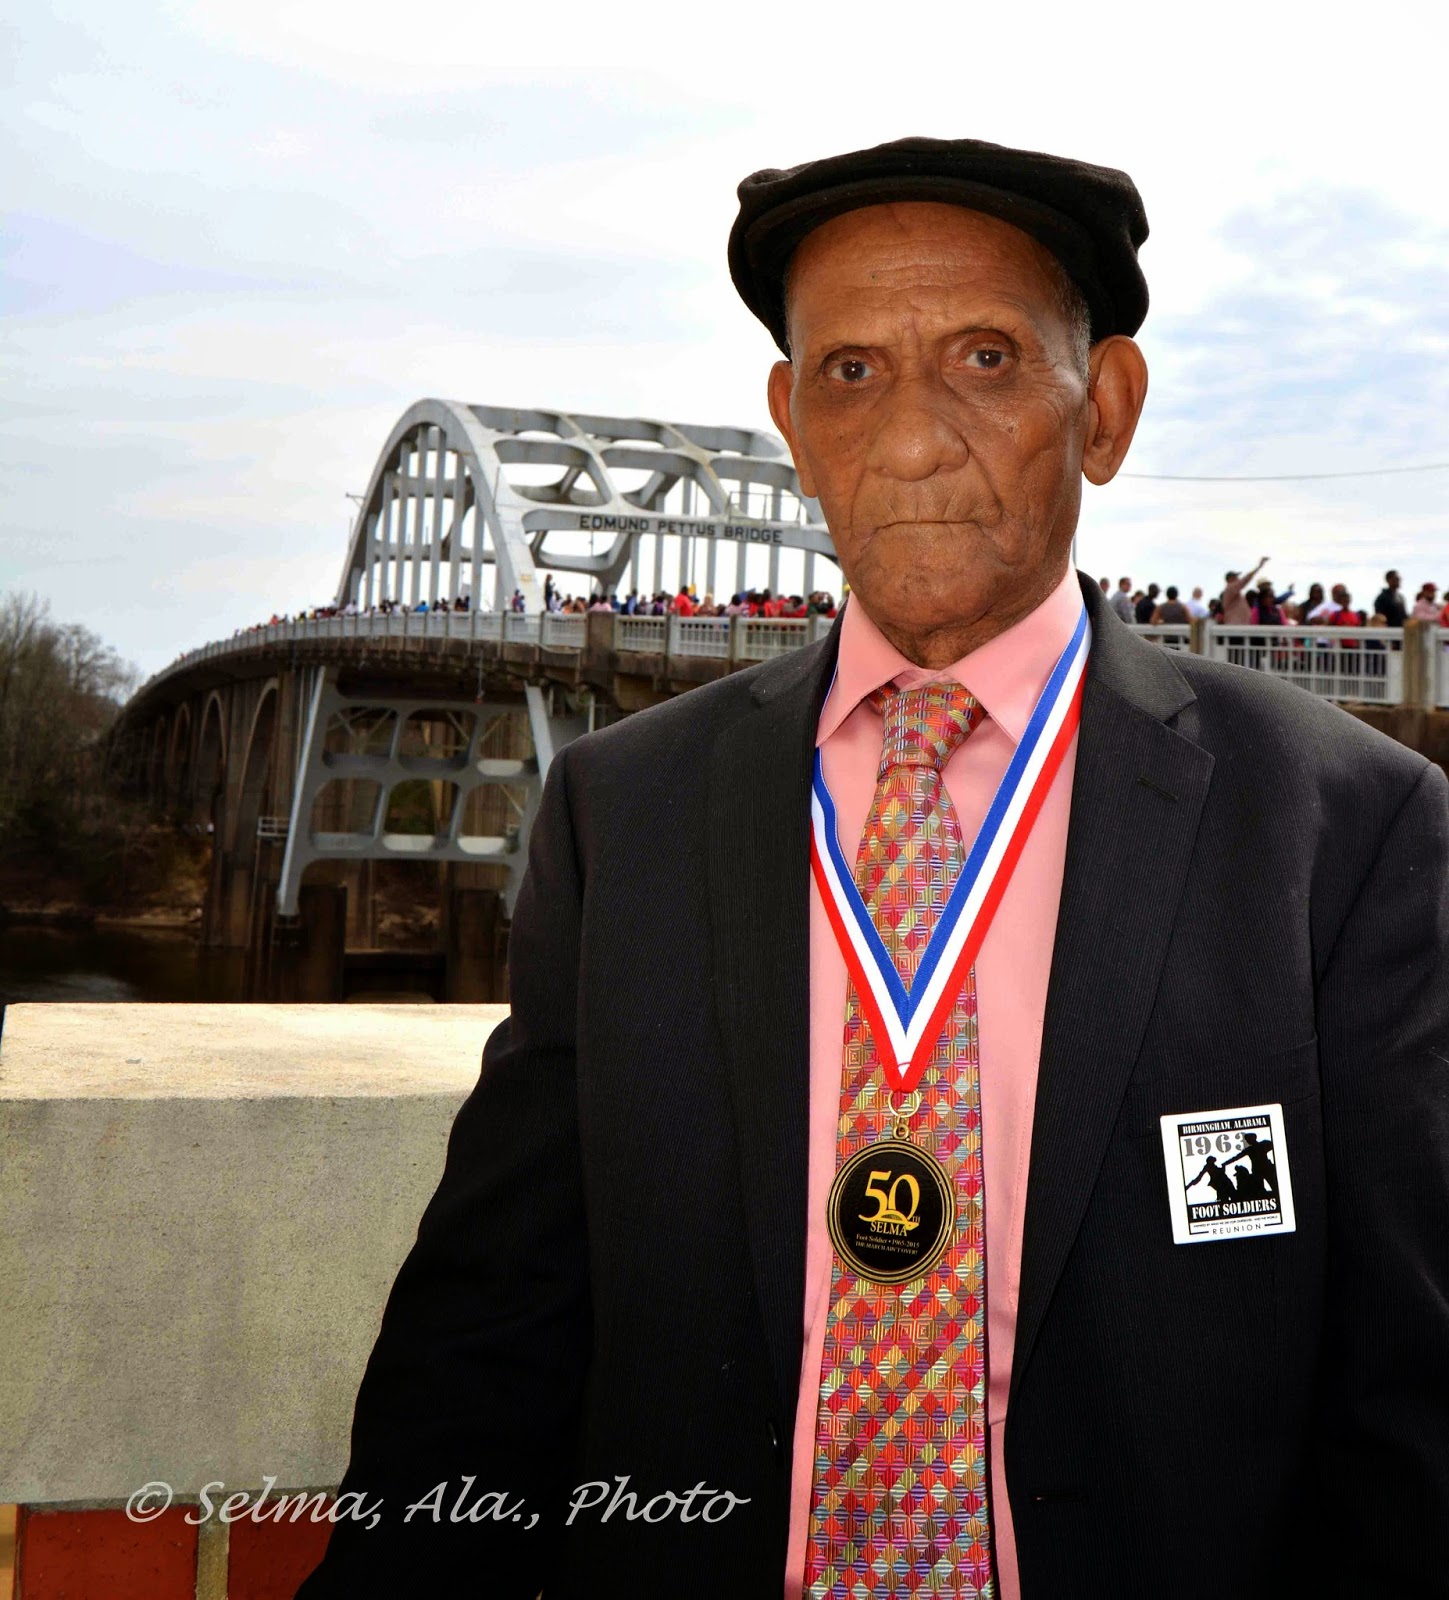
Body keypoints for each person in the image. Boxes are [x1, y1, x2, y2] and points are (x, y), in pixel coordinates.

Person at [298, 135, 1449, 1600]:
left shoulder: (1340, 829)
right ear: (789, 421)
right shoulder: (623, 814)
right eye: (849, 373)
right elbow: (490, 1333)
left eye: (982, 359)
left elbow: (1406, 1397)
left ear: (1102, 410)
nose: (908, 440)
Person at [1219, 558, 1268, 624]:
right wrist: (1258, 567)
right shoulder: (1230, 588)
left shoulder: (1234, 592)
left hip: (1240, 627)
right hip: (1235, 626)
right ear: (1230, 579)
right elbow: (1245, 580)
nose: (1238, 579)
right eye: (1236, 577)